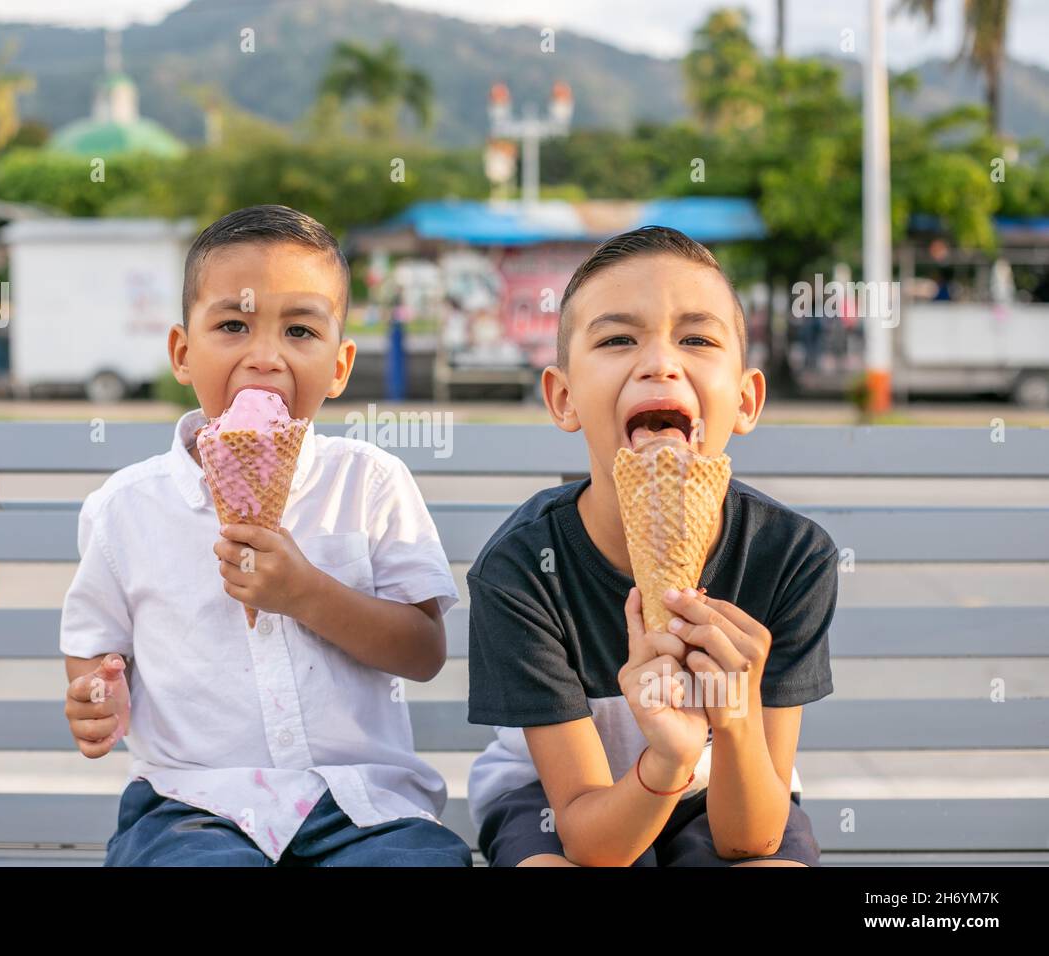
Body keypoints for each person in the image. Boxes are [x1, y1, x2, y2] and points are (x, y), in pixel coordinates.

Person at [61, 204, 471, 867]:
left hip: (363, 809)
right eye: (232, 325)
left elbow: (422, 652)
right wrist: (95, 695)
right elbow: (95, 648)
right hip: (191, 807)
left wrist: (308, 594)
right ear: (182, 353)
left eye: (300, 330)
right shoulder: (126, 509)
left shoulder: (369, 483)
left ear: (339, 367)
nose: (265, 356)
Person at [466, 225, 836, 866]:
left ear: (746, 399)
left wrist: (735, 712)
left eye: (696, 338)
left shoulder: (791, 556)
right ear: (563, 397)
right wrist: (666, 756)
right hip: (559, 802)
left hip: (730, 789)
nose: (661, 362)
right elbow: (590, 842)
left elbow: (751, 838)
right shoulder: (523, 570)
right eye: (617, 339)